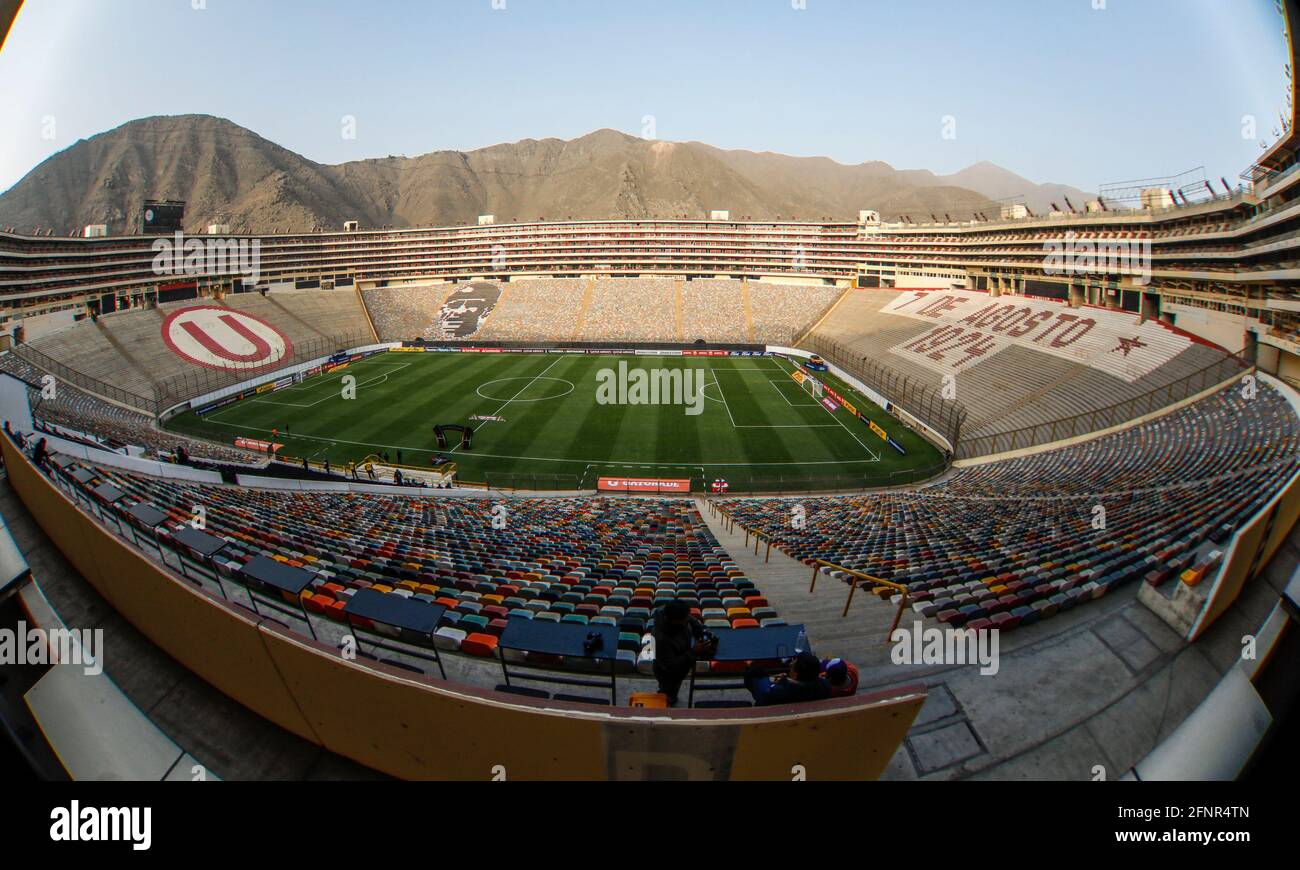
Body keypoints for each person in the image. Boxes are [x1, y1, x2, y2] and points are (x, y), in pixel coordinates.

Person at [651, 600, 713, 706]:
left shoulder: (669, 613)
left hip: (680, 659)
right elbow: (671, 666)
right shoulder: (662, 639)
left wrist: (701, 631)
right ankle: (668, 700)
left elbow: (690, 619)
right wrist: (694, 651)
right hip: (667, 673)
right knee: (669, 689)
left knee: (674, 686)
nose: (687, 621)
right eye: (684, 620)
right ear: (674, 620)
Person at [745, 651, 832, 706]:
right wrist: (787, 680)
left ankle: (750, 664)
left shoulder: (779, 691)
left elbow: (764, 699)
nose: (790, 664)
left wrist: (780, 683)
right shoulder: (825, 686)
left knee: (755, 672)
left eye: (793, 663)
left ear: (795, 675)